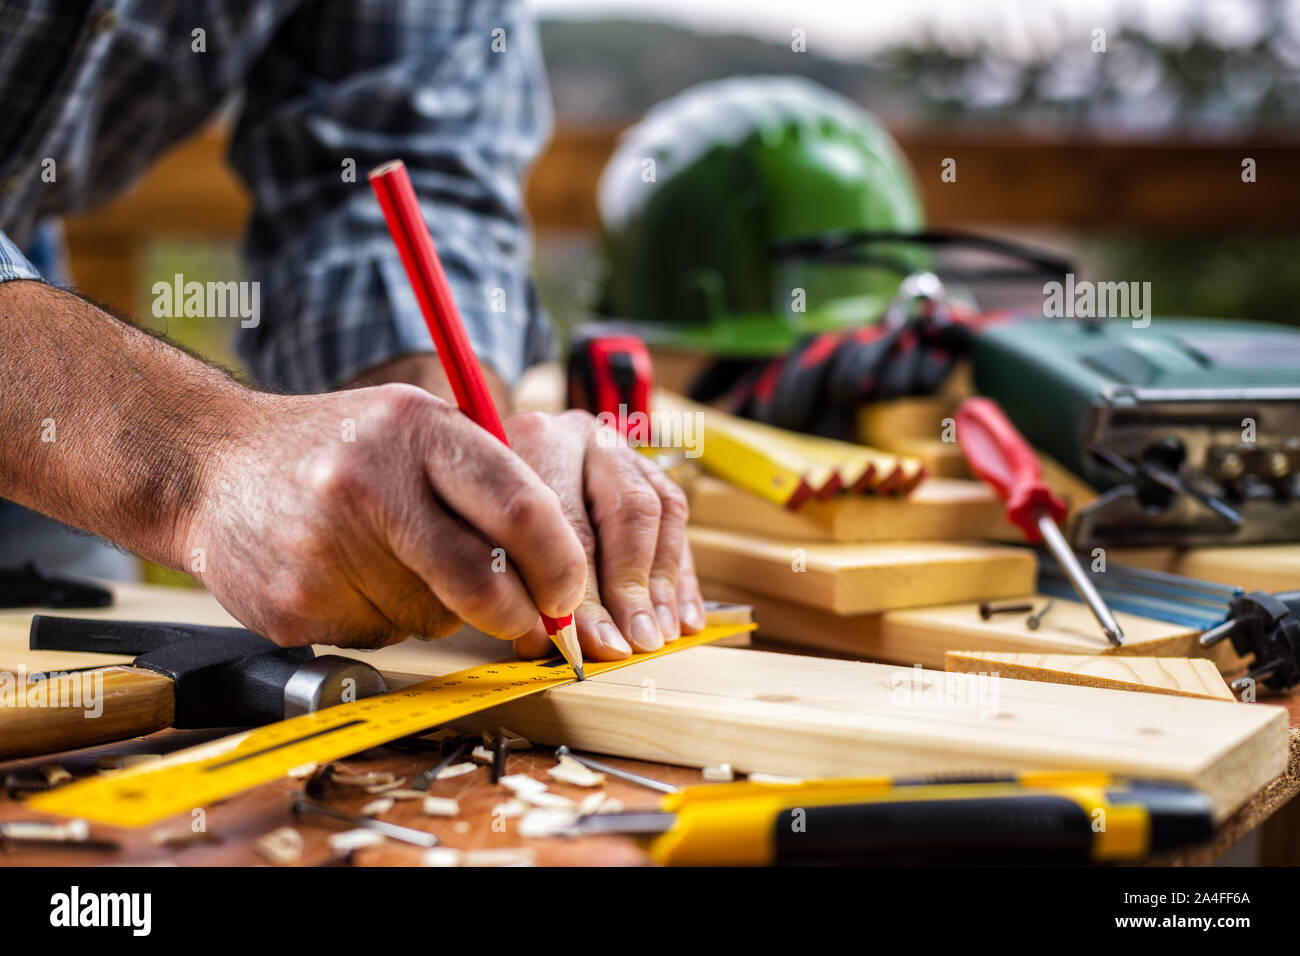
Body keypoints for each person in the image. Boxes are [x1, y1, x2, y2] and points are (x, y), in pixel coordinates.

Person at [0, 1, 704, 660]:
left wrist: (452, 464)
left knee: (68, 682)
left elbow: (397, 149)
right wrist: (209, 461)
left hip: (23, 276)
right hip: (44, 358)